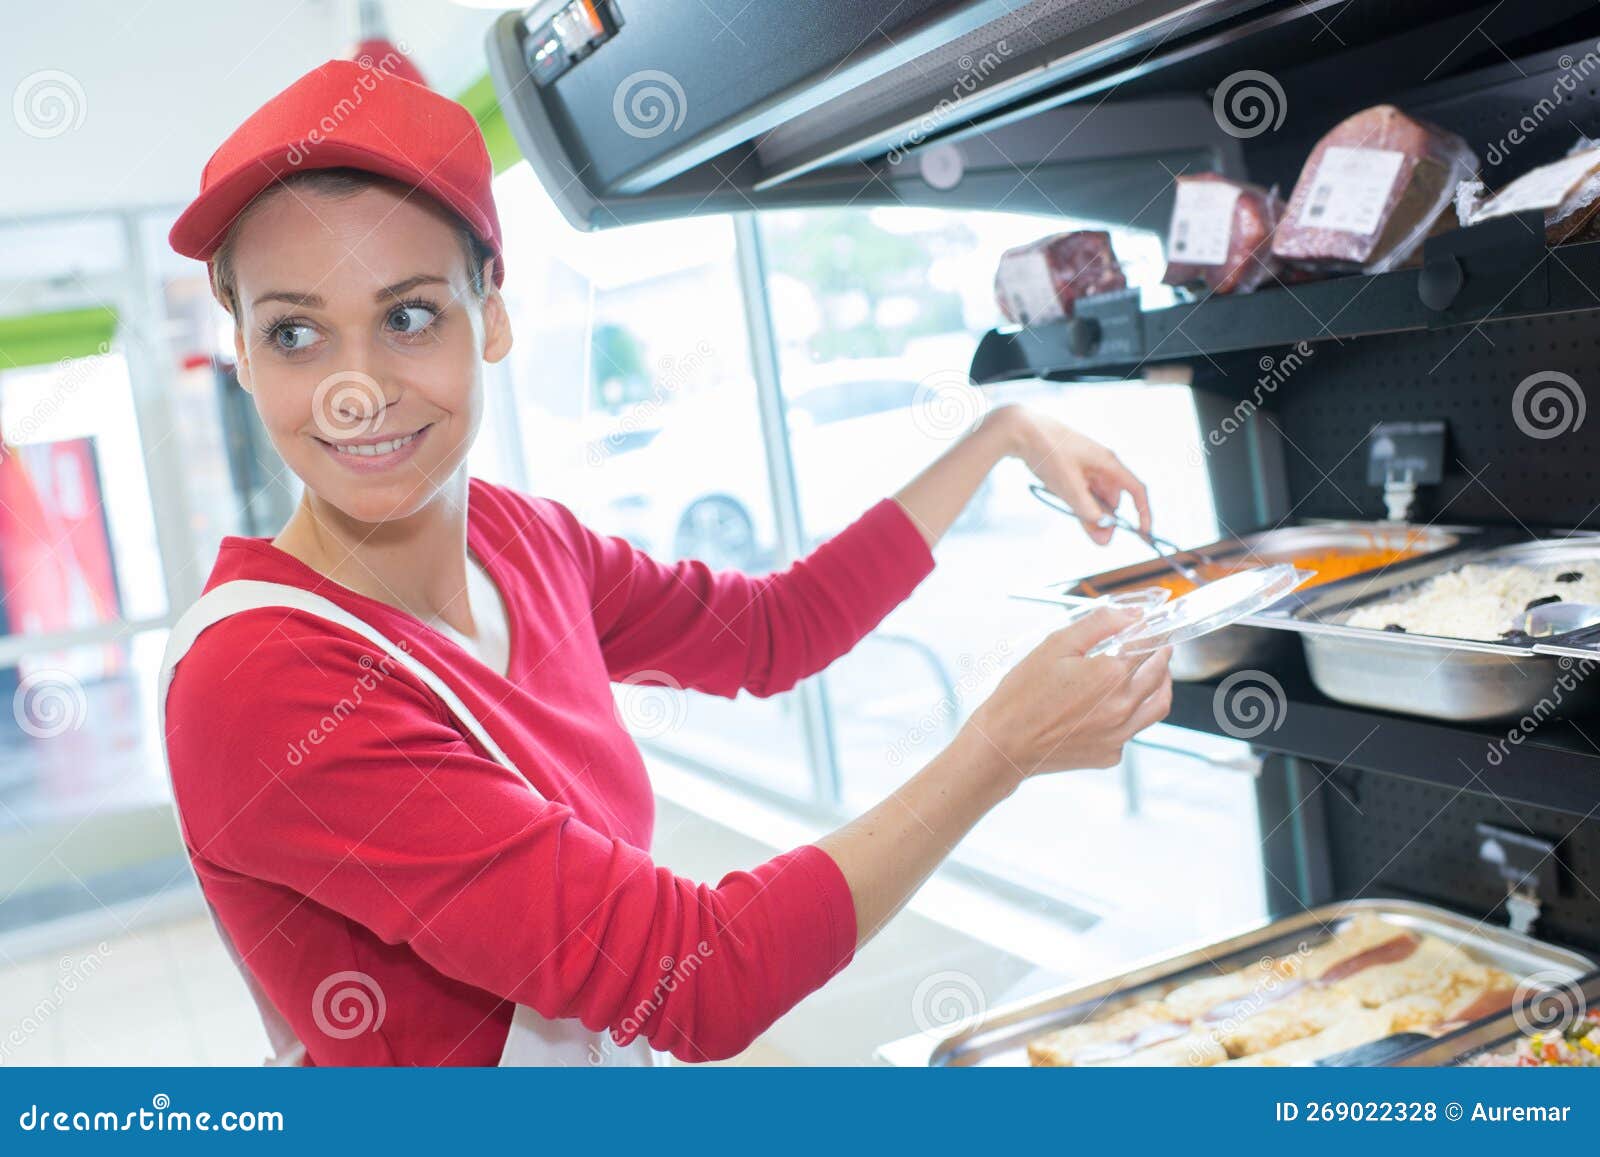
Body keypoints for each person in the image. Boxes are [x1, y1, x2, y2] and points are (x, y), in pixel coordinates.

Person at [160, 57, 1172, 1067]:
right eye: (294, 332)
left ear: (493, 310)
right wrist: (999, 748)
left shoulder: (521, 542)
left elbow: (775, 632)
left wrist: (996, 433)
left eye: (407, 315)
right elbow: (697, 975)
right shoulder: (262, 681)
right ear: (243, 354)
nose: (353, 391)